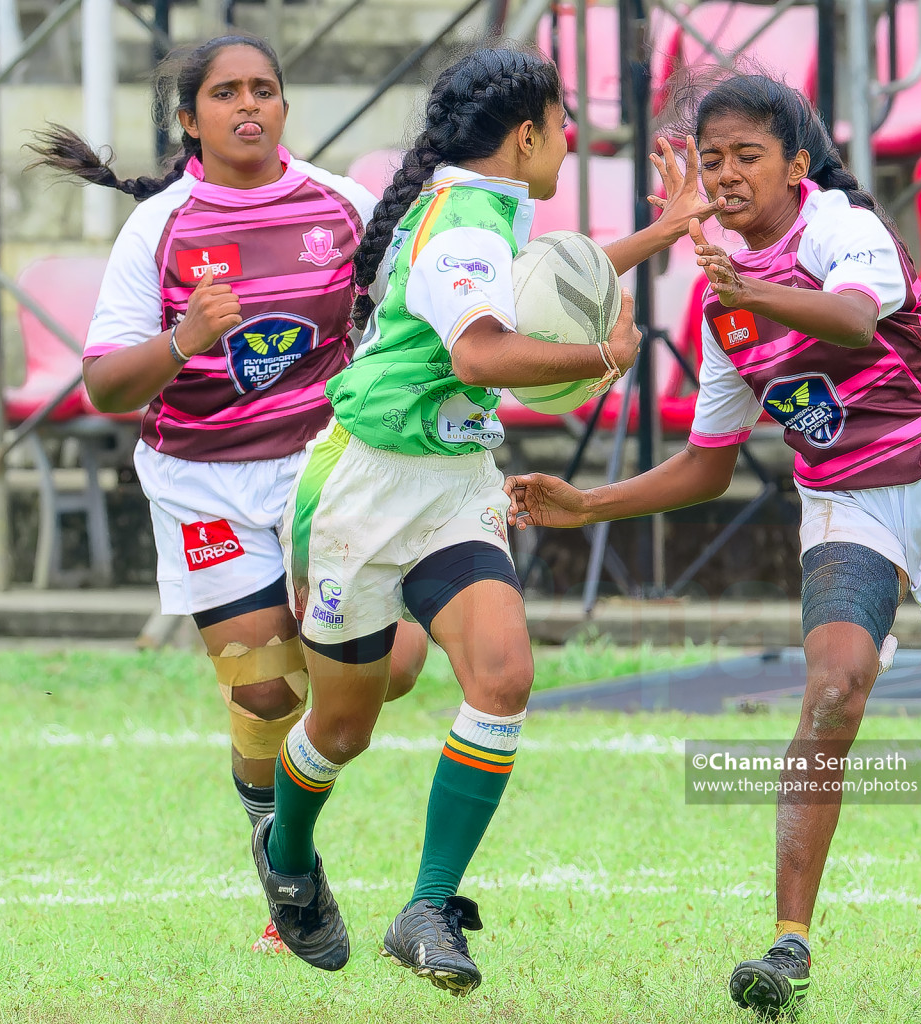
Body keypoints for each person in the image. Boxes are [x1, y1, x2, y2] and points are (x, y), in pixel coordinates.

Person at [504, 74, 921, 1018]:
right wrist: (587, 505)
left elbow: (852, 319)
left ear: (796, 165)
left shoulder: (841, 230)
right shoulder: (724, 308)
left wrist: (749, 286)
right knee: (833, 690)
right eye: (709, 162)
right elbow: (707, 467)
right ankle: (789, 943)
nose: (723, 176)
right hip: (844, 498)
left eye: (746, 157)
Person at [249, 46, 721, 990]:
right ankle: (288, 856)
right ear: (526, 135)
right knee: (341, 732)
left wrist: (662, 234)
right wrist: (598, 356)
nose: (571, 139)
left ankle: (426, 906)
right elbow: (479, 354)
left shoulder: (488, 201)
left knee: (503, 676)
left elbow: (531, 278)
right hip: (363, 490)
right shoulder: (465, 219)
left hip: (455, 480)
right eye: (561, 122)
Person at [28, 33, 429, 955]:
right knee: (263, 697)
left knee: (395, 667)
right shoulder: (159, 227)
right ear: (190, 119)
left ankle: (284, 832)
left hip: (328, 467)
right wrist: (184, 338)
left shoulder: (343, 204)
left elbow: (419, 313)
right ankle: (281, 850)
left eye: (265, 89)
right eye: (227, 93)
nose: (249, 105)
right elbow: (105, 387)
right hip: (202, 484)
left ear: (285, 107)